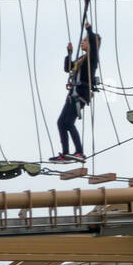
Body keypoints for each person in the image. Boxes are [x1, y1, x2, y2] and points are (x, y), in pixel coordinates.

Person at [50, 26, 102, 164]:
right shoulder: (81, 58)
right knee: (61, 122)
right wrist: (69, 53)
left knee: (68, 122)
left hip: (81, 92)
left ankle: (79, 152)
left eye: (85, 41)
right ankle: (66, 153)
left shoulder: (92, 58)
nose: (82, 42)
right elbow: (68, 68)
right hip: (73, 92)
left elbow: (93, 42)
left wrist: (89, 31)